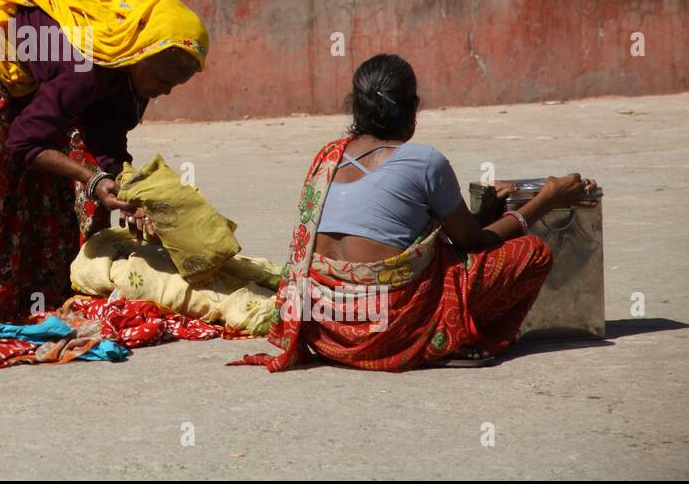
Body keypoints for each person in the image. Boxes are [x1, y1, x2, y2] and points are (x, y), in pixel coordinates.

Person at [233, 53, 596, 372]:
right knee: (532, 252)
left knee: (432, 251)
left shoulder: (327, 158)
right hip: (387, 333)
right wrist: (546, 199)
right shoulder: (425, 161)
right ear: (413, 107)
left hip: (327, 331)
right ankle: (460, 343)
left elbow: (399, 229)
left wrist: (482, 212)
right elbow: (472, 242)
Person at [0, 0, 208, 329]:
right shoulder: (87, 68)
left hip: (40, 50)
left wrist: (131, 191)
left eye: (175, 85)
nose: (166, 91)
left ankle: (53, 286)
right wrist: (94, 180)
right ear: (145, 56)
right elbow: (24, 143)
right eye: (165, 80)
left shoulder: (130, 53)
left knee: (76, 168)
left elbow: (106, 134)